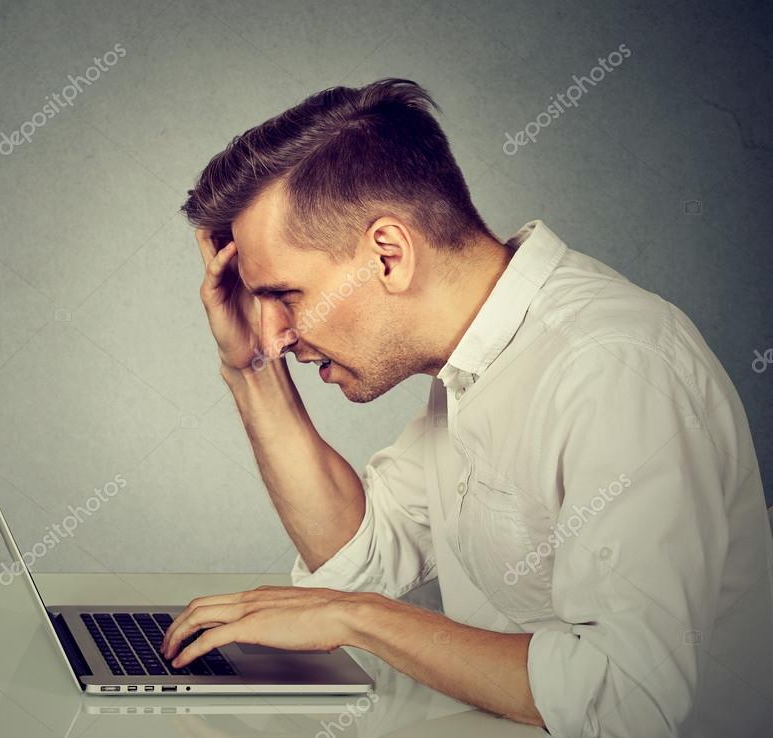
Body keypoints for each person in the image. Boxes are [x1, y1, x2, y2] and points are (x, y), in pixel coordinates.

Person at [158, 78, 773, 737]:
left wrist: (354, 617)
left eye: (286, 294)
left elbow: (625, 701)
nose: (276, 333)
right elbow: (362, 557)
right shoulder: (475, 358)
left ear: (387, 255)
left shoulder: (612, 364)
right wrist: (248, 367)